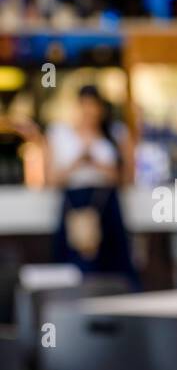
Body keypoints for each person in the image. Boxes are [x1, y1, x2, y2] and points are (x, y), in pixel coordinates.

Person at [40, 84, 139, 288]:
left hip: (106, 202)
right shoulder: (59, 134)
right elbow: (50, 180)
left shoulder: (116, 133)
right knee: (78, 261)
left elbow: (127, 177)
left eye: (93, 105)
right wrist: (78, 162)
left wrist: (97, 164)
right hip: (75, 202)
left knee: (112, 262)